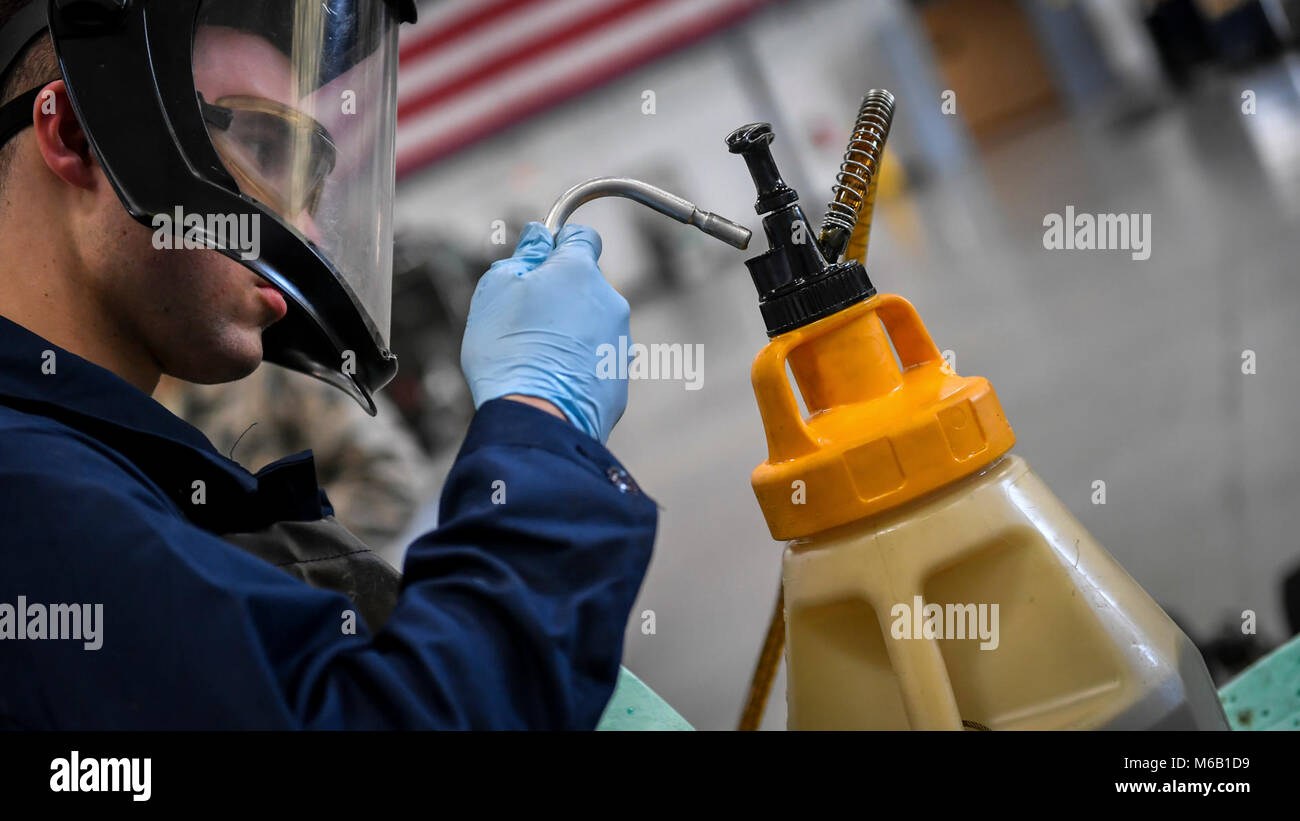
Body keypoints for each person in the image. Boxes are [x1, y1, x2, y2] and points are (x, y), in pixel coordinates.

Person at [0, 0, 654, 729]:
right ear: (77, 135)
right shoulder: (27, 496)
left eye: (311, 182)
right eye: (266, 150)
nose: (305, 229)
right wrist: (543, 419)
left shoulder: (83, 466)